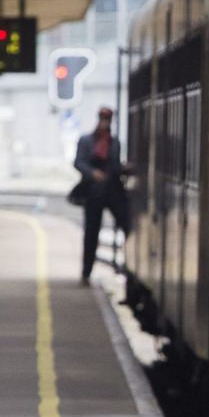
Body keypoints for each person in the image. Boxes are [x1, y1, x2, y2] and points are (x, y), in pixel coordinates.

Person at [73, 106, 130, 285]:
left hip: (111, 191)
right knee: (91, 233)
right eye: (103, 119)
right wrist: (93, 173)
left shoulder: (114, 143)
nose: (105, 123)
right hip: (93, 193)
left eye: (108, 120)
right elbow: (78, 162)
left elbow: (115, 166)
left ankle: (129, 266)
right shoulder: (86, 141)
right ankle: (86, 273)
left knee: (127, 223)